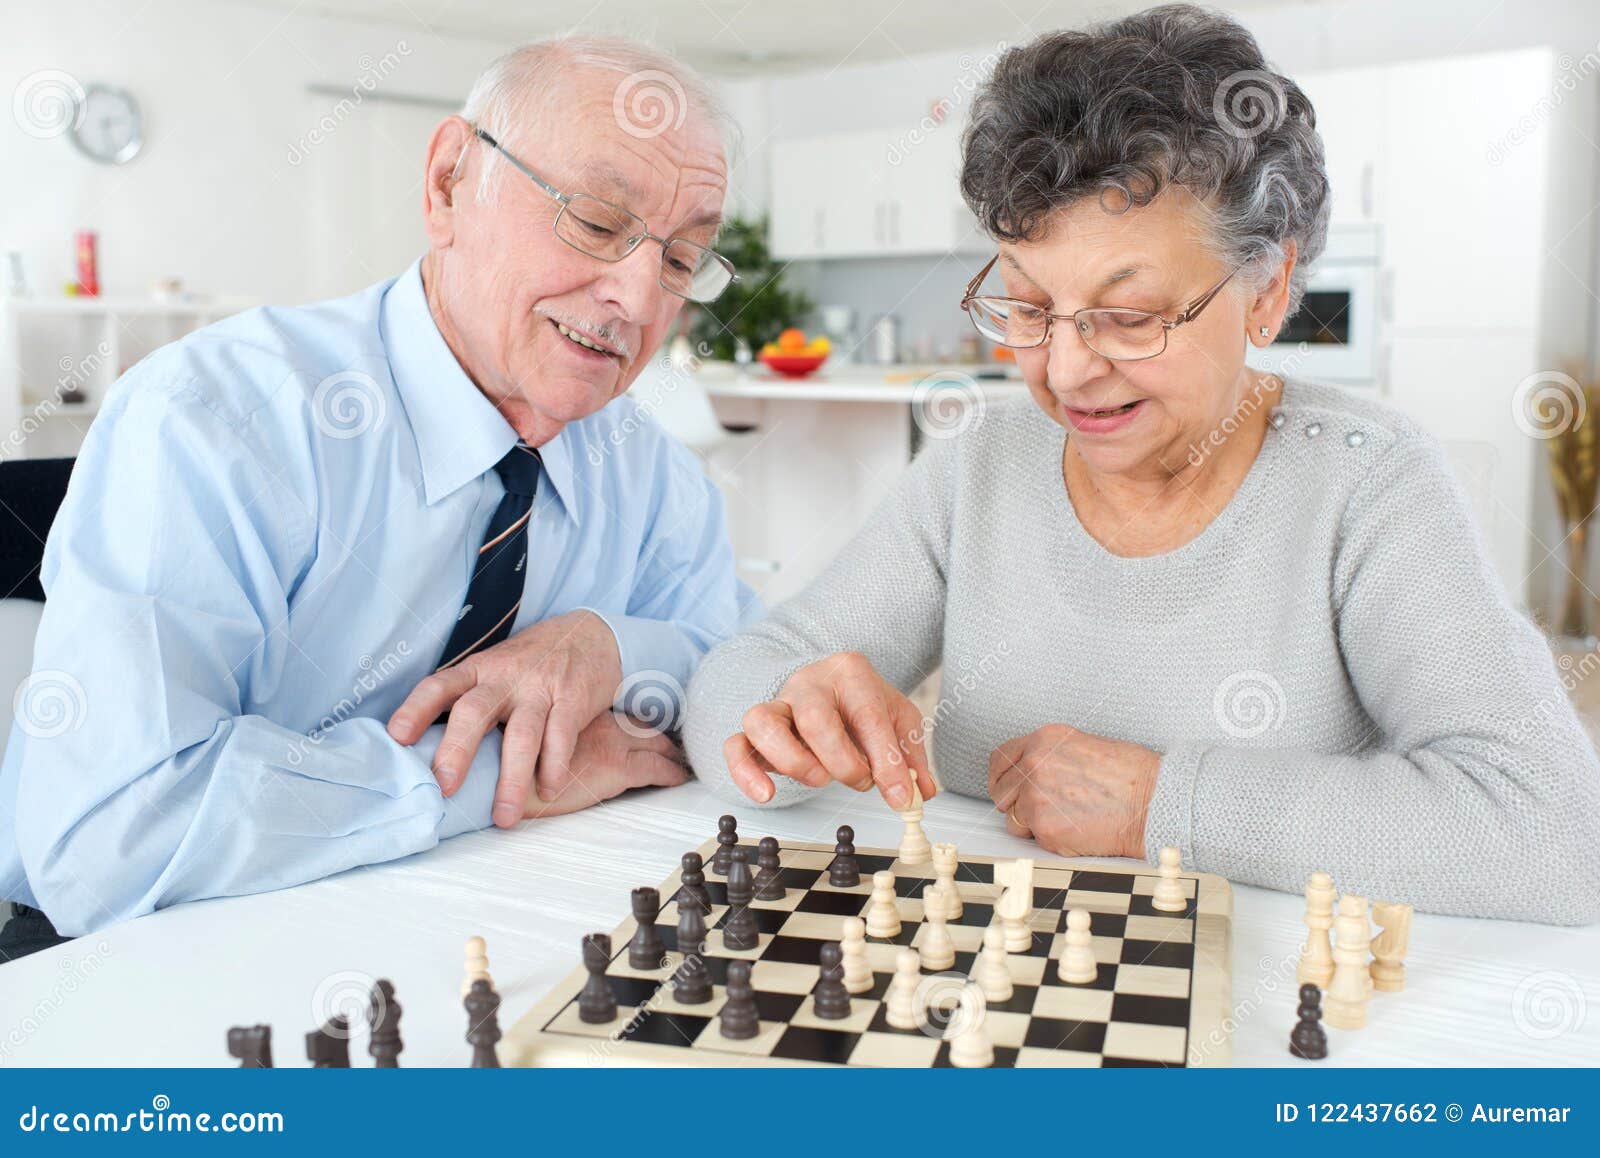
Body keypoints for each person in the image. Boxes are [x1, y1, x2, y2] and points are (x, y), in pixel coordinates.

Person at [682, 5, 1600, 924]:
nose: (1069, 370)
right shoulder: (981, 465)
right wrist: (779, 712)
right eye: (1029, 308)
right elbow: (740, 676)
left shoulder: (1368, 485)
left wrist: (1160, 805)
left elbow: (1554, 834)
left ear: (1267, 288)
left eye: (1130, 316)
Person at [0, 35, 758, 945]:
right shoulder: (215, 420)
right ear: (448, 185)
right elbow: (112, 842)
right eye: (597, 221)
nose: (638, 299)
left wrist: (609, 649)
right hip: (167, 956)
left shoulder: (651, 472)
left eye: (680, 260)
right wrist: (501, 775)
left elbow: (742, 684)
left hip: (482, 925)